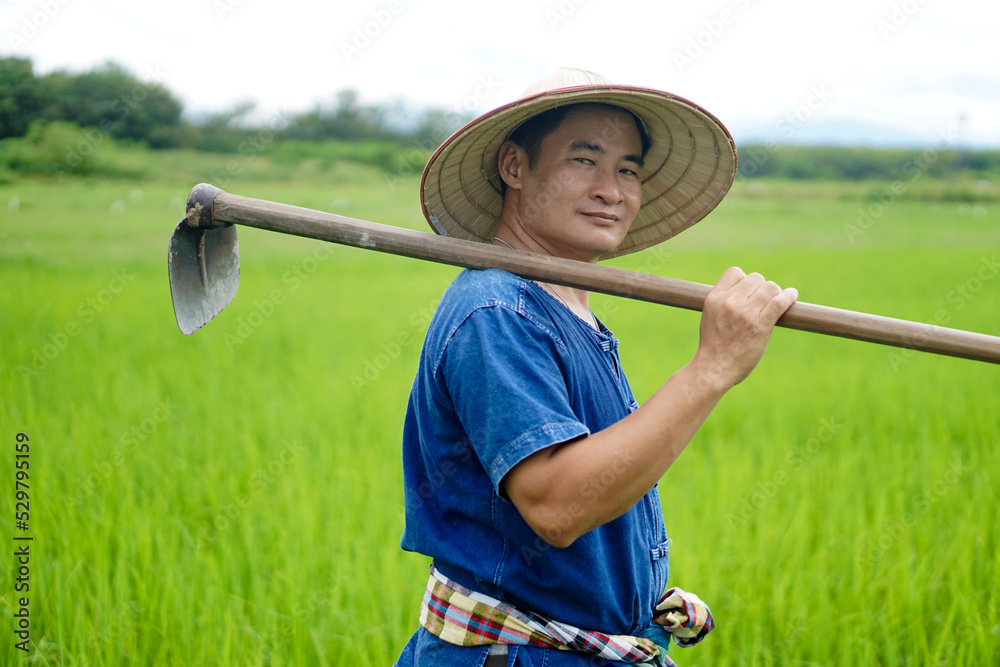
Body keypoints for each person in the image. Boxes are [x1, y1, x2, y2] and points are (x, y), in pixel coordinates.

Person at [394, 68, 797, 666]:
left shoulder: (561, 307)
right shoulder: (499, 311)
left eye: (628, 169)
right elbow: (558, 506)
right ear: (515, 166)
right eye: (585, 160)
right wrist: (710, 369)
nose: (613, 190)